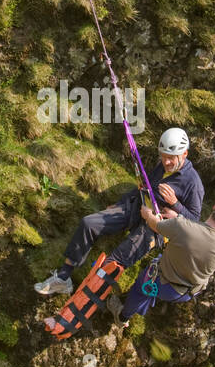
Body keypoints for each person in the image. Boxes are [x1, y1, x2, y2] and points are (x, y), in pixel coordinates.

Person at [34, 127, 204, 296]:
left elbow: (194, 223)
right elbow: (145, 187)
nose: (166, 162)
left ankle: (85, 299)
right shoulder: (162, 166)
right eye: (163, 156)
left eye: (170, 159)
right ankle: (64, 277)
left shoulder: (193, 183)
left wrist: (176, 205)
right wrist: (120, 203)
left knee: (115, 261)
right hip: (137, 208)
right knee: (89, 223)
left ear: (185, 154)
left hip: (157, 229)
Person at [113, 191, 215, 321]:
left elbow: (155, 225)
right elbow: (199, 232)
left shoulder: (180, 226)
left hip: (164, 284)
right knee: (152, 283)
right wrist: (179, 219)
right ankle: (142, 308)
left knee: (140, 288)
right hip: (187, 292)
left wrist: (148, 214)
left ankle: (122, 317)